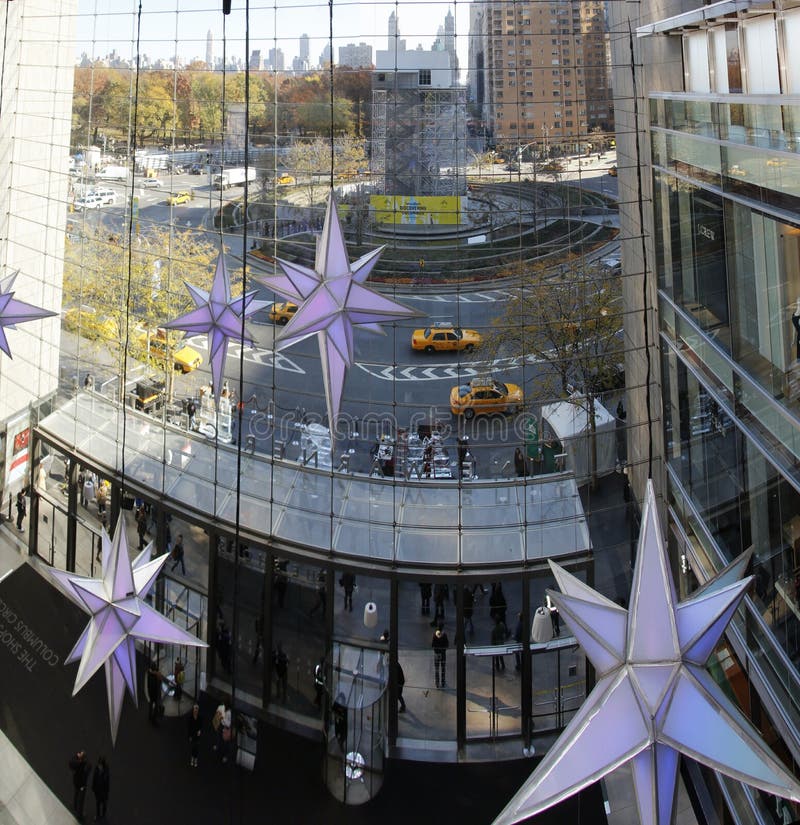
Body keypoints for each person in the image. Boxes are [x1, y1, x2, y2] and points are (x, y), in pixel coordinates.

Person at [69, 750, 90, 821]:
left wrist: (76, 756)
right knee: (81, 800)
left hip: (76, 782)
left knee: (76, 794)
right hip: (82, 785)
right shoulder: (86, 766)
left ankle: (75, 806)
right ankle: (79, 815)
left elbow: (70, 763)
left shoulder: (76, 764)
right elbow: (88, 768)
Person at [91, 756, 110, 821]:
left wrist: (101, 773)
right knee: (98, 803)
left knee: (104, 804)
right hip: (98, 790)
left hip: (104, 791)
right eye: (99, 764)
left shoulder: (106, 770)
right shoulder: (97, 768)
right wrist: (93, 787)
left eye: (100, 765)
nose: (99, 766)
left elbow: (106, 781)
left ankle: (103, 816)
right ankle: (98, 815)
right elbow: (94, 778)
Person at [146, 660, 163, 725]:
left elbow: (148, 685)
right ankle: (154, 720)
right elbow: (159, 683)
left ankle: (150, 716)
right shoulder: (156, 676)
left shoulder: (149, 674)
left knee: (151, 704)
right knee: (156, 707)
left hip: (151, 693)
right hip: (155, 695)